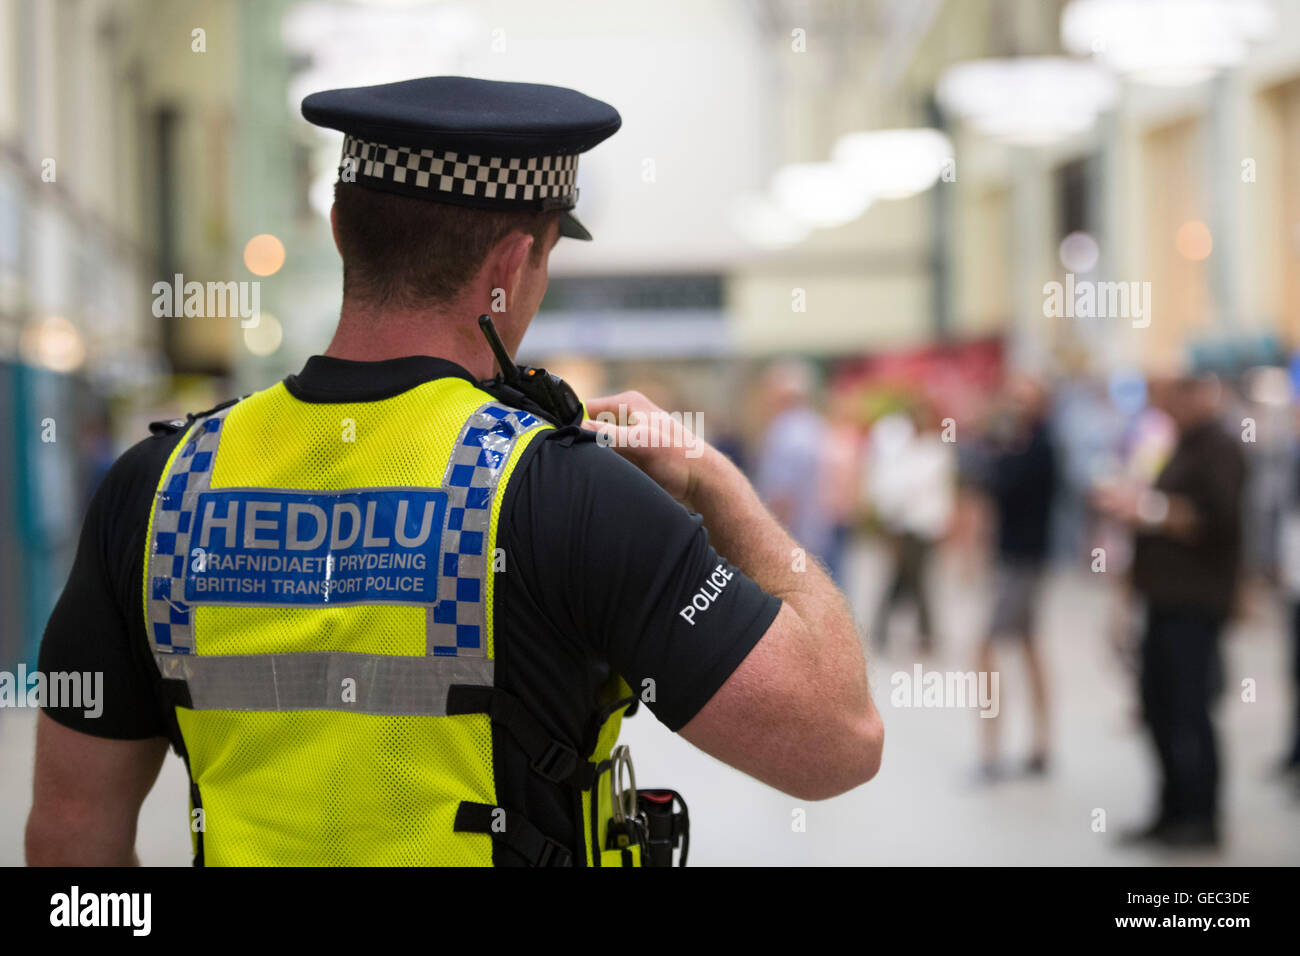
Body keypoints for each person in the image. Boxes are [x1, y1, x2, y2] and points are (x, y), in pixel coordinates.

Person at [26, 76, 883, 867]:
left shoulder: (158, 488)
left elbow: (70, 842)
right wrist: (717, 486)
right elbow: (838, 741)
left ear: (338, 229)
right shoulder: (571, 495)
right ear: (511, 267)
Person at [1095, 371, 1244, 849]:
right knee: (1158, 705)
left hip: (1195, 600)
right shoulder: (1180, 443)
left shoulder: (1221, 447)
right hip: (1163, 596)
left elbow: (1219, 520)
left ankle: (1201, 816)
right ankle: (1171, 809)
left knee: (1189, 709)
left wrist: (1153, 511)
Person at [975, 374, 1057, 781]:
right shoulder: (1022, 443)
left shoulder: (1038, 448)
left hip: (1022, 562)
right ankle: (1040, 744)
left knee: (986, 650)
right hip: (1016, 558)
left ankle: (993, 751)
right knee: (1027, 647)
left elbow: (999, 483)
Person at [866, 401, 955, 653]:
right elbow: (890, 486)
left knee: (911, 578)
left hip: (924, 525)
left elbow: (933, 491)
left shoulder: (936, 451)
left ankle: (896, 631)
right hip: (901, 524)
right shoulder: (902, 451)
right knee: (906, 577)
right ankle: (915, 633)